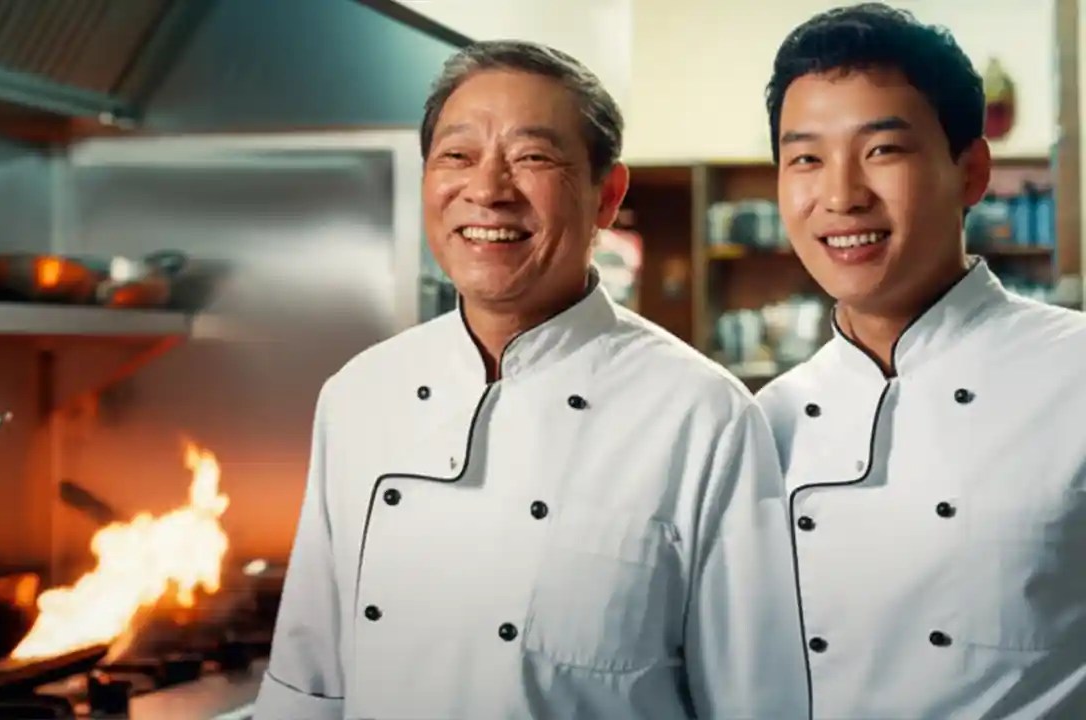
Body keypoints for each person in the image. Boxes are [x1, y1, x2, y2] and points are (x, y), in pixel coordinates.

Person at [254, 40, 808, 719]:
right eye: (457, 156)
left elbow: (757, 703)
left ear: (607, 196)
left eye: (533, 157)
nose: (488, 190)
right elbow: (307, 684)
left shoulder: (703, 415)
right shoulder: (359, 395)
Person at [757, 4, 1086, 718]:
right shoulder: (764, 420)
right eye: (806, 158)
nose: (841, 196)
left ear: (971, 173)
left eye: (882, 150)